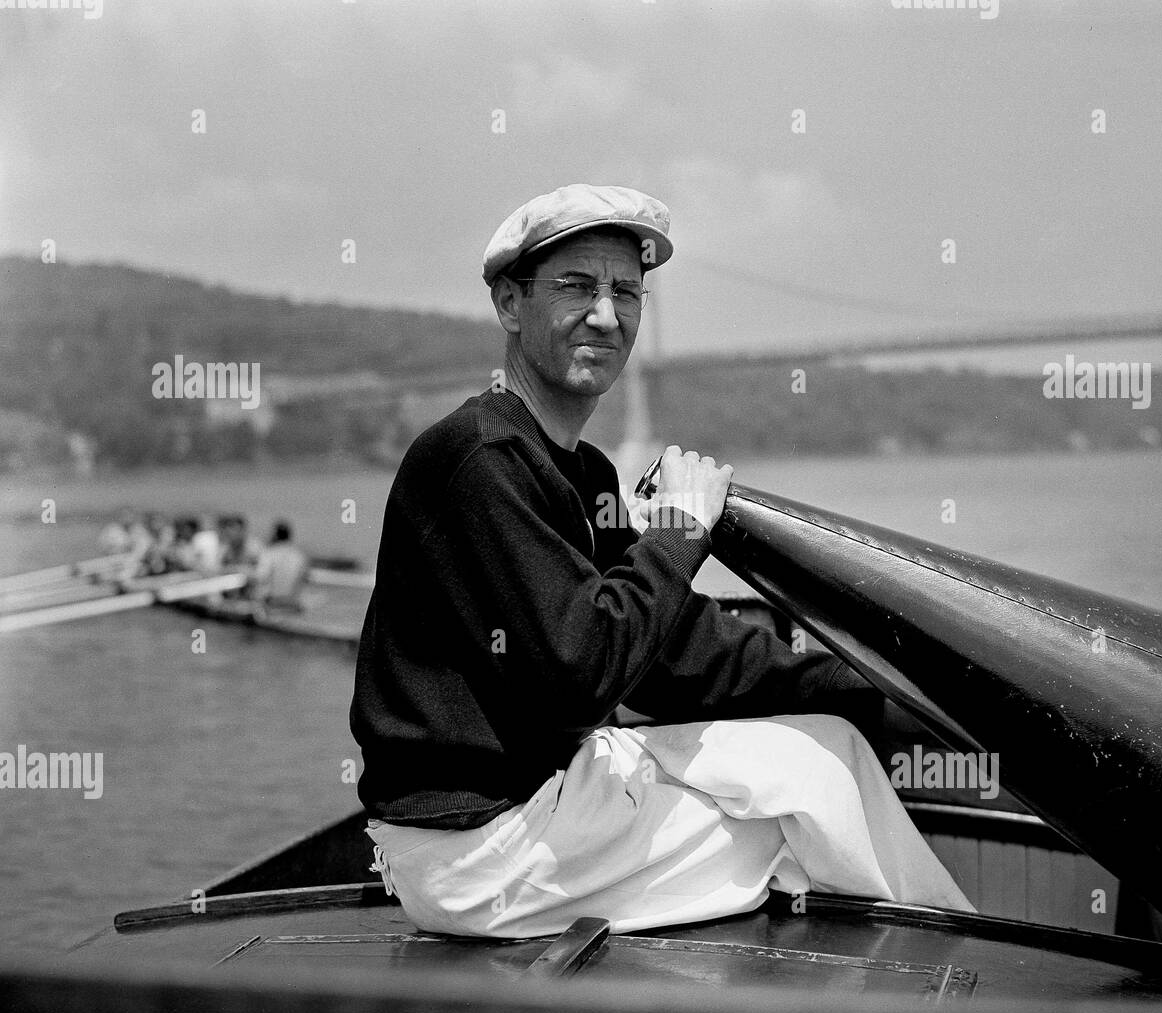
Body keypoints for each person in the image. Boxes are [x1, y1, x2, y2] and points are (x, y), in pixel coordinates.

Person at [351, 184, 972, 939]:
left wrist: (871, 687)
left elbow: (675, 656)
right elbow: (581, 672)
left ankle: (934, 953)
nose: (606, 316)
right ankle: (956, 967)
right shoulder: (482, 459)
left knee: (828, 745)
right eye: (576, 287)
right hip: (475, 846)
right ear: (510, 305)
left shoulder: (584, 475)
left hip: (536, 801)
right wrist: (678, 533)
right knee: (814, 792)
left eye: (627, 292)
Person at [250, 521, 309, 610]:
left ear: (275, 535)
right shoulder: (300, 556)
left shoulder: (269, 553)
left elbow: (260, 577)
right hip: (293, 603)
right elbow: (305, 579)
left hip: (272, 603)